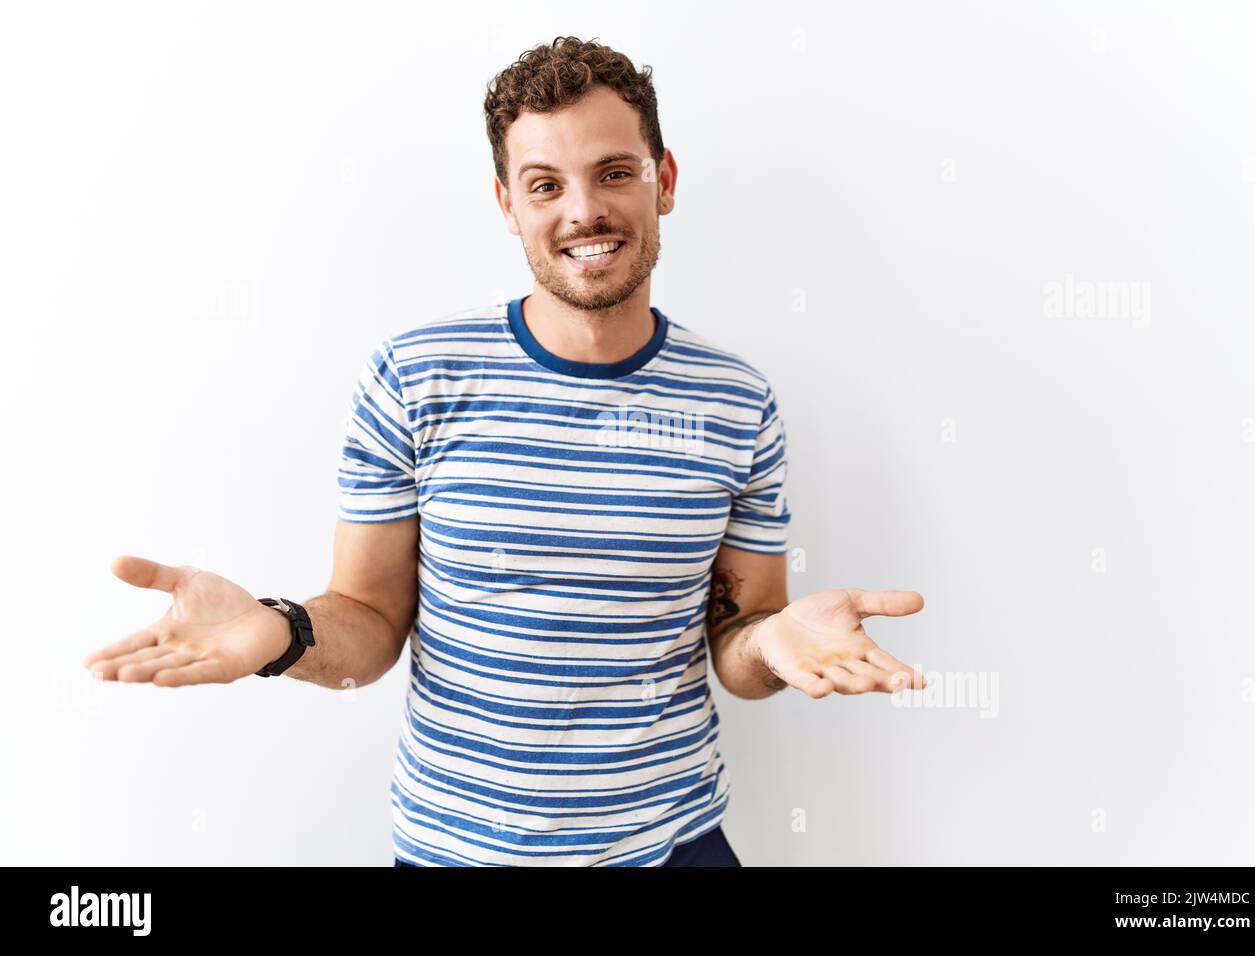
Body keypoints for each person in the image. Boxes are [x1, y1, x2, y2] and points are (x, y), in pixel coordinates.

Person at [83, 36, 927, 867]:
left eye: (614, 173)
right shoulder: (416, 377)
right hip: (459, 851)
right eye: (545, 184)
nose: (583, 211)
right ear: (506, 204)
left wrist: (774, 642)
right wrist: (280, 632)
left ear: (663, 181)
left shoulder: (738, 400)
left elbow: (737, 643)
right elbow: (371, 623)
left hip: (671, 844)